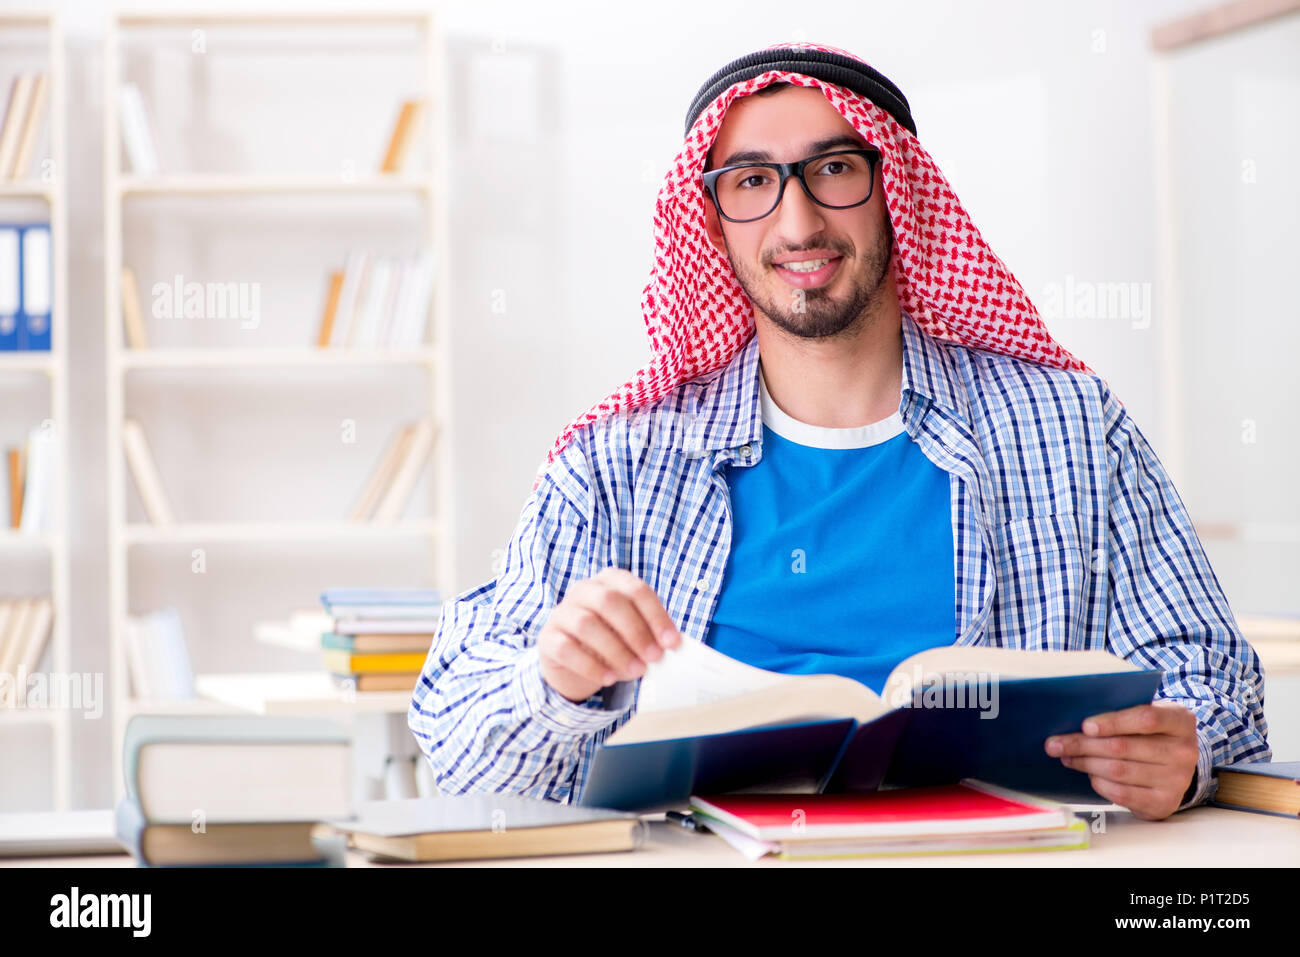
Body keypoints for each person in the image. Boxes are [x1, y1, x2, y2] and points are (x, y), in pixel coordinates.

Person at [409, 42, 1269, 820]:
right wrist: (553, 682)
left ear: (896, 187)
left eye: (832, 170)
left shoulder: (1075, 429)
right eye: (751, 182)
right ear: (710, 219)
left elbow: (1218, 680)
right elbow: (456, 758)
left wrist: (1182, 752)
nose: (797, 224)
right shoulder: (615, 466)